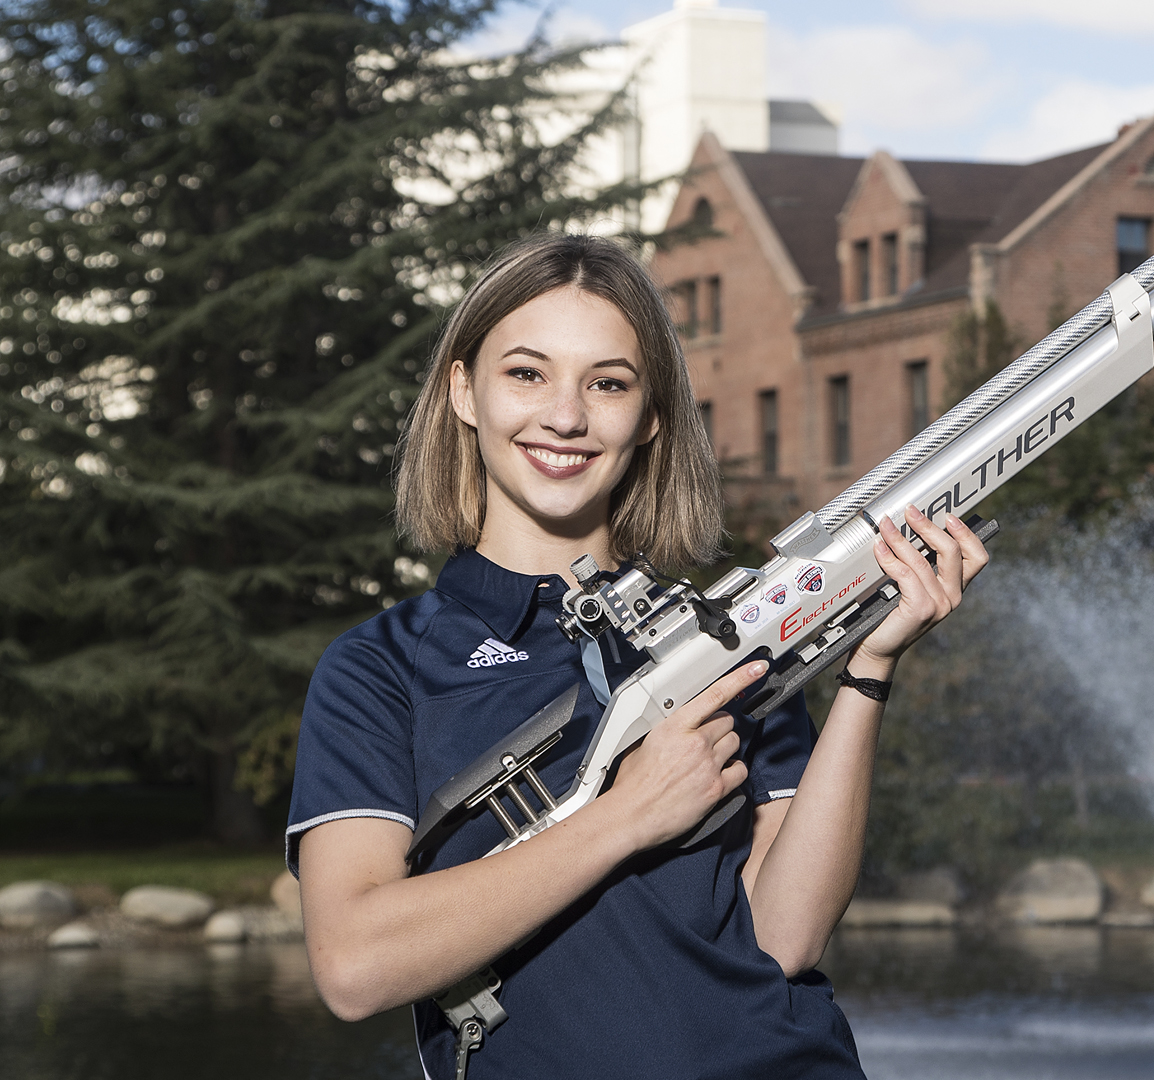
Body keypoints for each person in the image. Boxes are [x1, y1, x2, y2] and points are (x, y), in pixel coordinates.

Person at [286, 232, 988, 1079]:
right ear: (464, 391)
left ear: (651, 414)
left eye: (608, 383)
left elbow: (786, 936)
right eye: (527, 374)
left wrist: (868, 672)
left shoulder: (726, 636)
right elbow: (355, 965)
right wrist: (629, 814)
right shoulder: (380, 667)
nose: (566, 416)